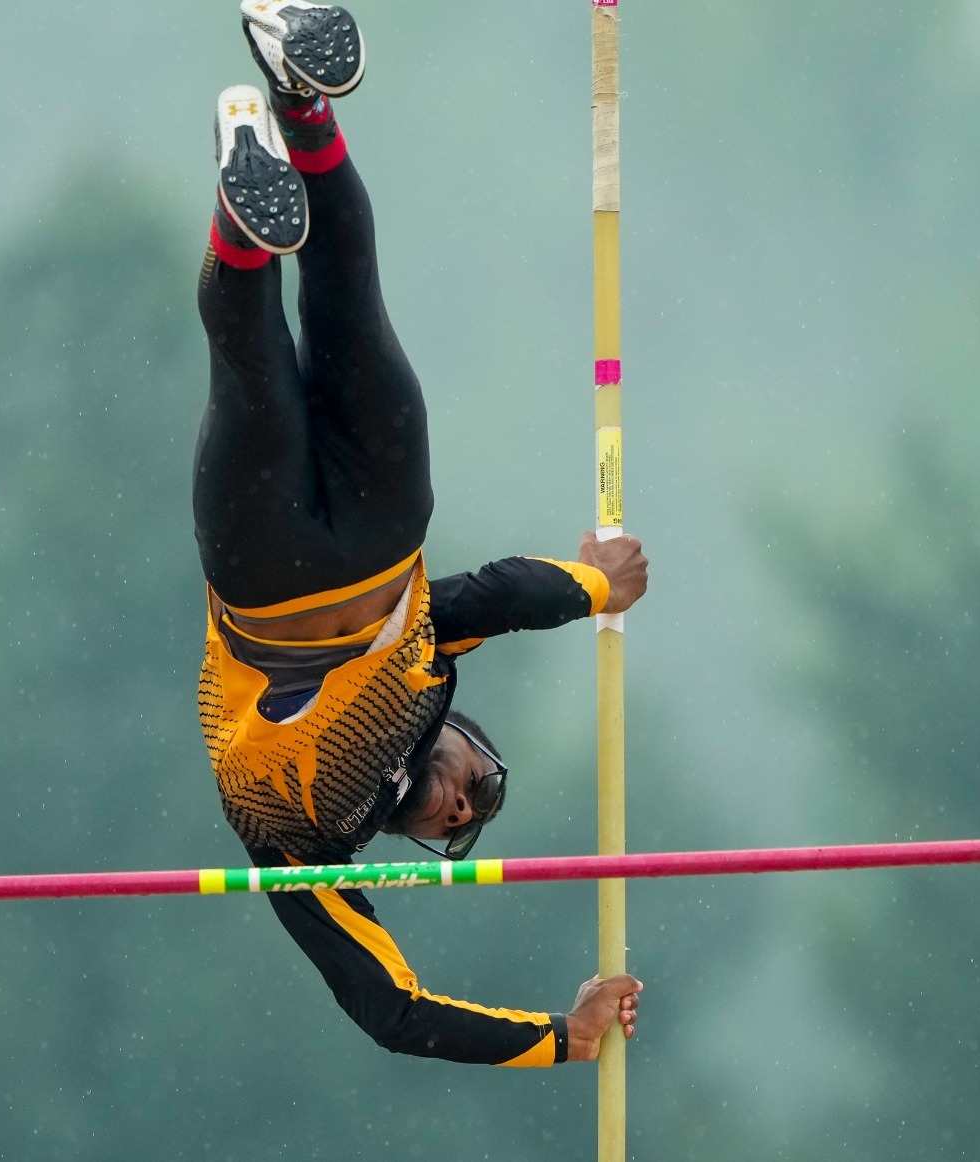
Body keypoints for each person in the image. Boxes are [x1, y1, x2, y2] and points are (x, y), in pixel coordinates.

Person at [193, 0, 648, 1067]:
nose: (453, 804)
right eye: (475, 792)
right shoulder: (430, 658)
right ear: (472, 745)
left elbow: (391, 1009)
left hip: (261, 575)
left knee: (250, 364)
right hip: (385, 518)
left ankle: (239, 216)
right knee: (350, 295)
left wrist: (562, 1040)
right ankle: (296, 96)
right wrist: (593, 586)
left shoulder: (304, 853)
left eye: (451, 822)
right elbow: (501, 593)